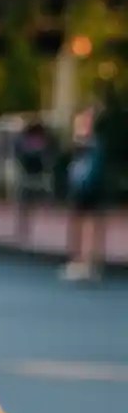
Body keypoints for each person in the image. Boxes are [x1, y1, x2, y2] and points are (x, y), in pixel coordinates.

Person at [62, 90, 116, 281]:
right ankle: (78, 260)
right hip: (80, 183)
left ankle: (90, 262)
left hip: (93, 184)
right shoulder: (81, 142)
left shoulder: (97, 143)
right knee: (78, 221)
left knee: (91, 223)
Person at [13, 116, 53, 242]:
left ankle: (24, 230)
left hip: (32, 176)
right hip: (34, 176)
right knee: (27, 203)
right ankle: (27, 229)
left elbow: (21, 157)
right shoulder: (38, 143)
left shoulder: (29, 143)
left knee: (26, 205)